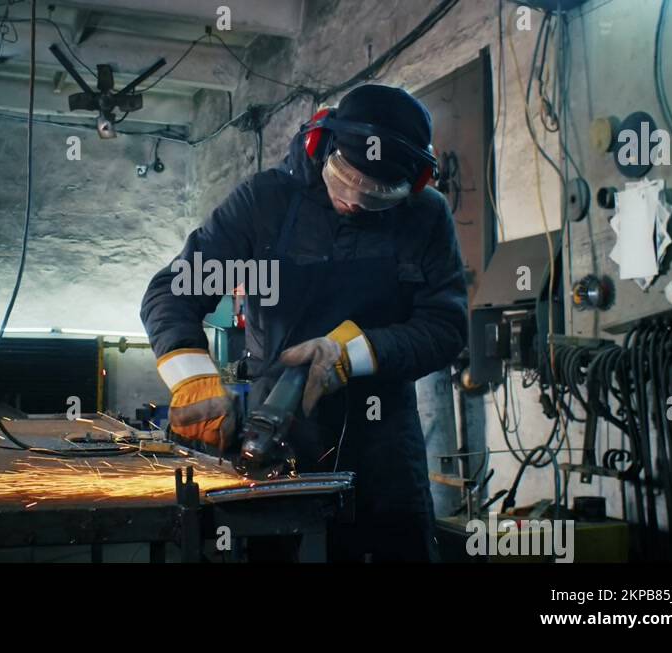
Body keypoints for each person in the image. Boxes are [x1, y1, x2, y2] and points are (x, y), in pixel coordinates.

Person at [140, 84, 468, 562]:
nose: (354, 202)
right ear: (321, 146)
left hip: (382, 440)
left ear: (411, 186)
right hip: (275, 433)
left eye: (376, 196)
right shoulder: (265, 203)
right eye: (344, 179)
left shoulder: (426, 218)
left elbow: (444, 327)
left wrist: (352, 355)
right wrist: (192, 377)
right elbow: (174, 291)